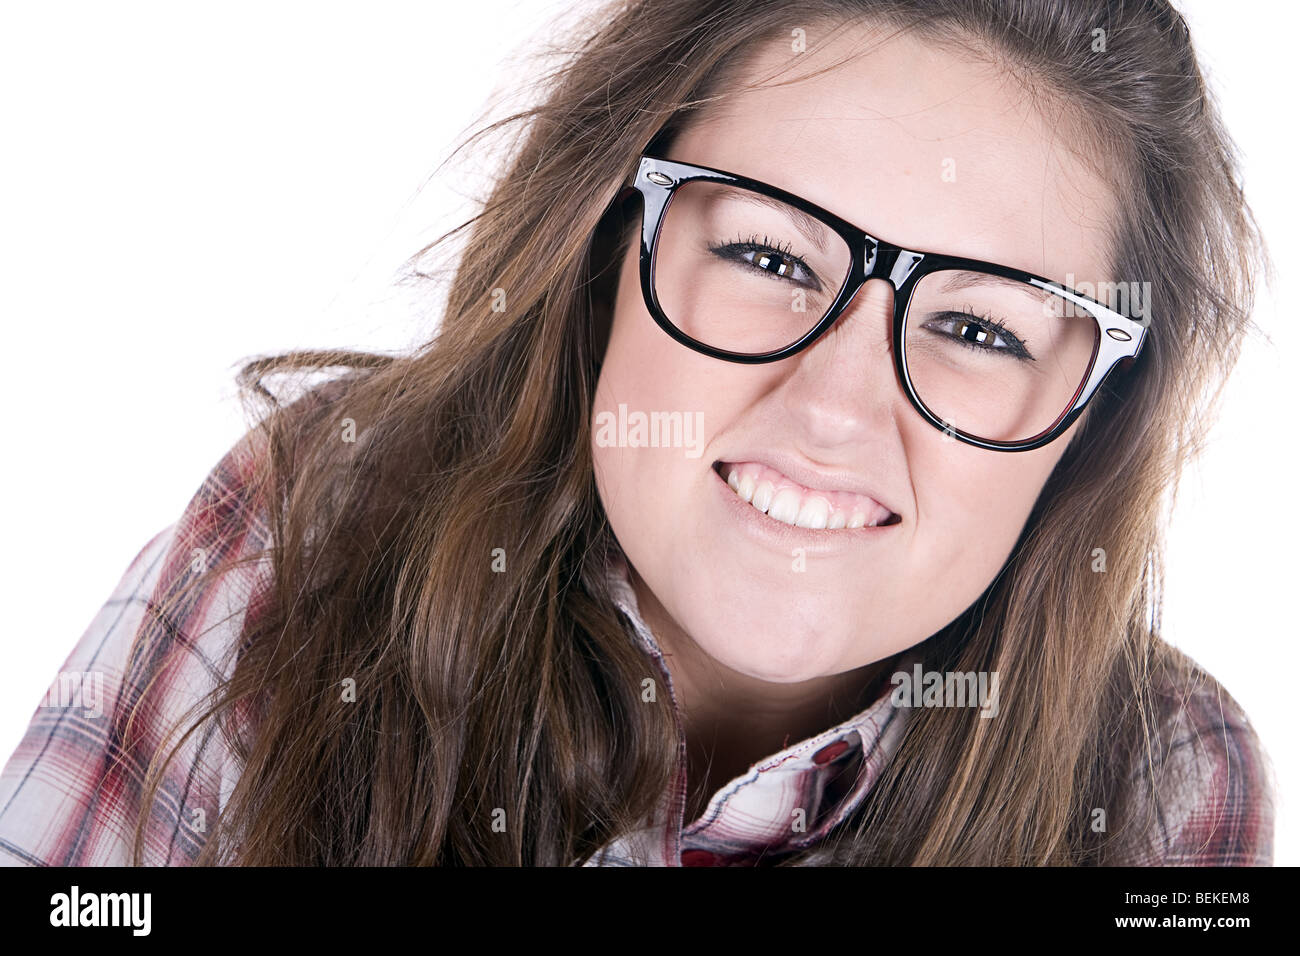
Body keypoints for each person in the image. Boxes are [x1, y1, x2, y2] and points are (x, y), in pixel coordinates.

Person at [0, 0, 1274, 866]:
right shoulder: (315, 527)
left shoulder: (1161, 788)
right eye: (771, 252)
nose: (834, 403)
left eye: (985, 331)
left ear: (1090, 416)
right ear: (608, 251)